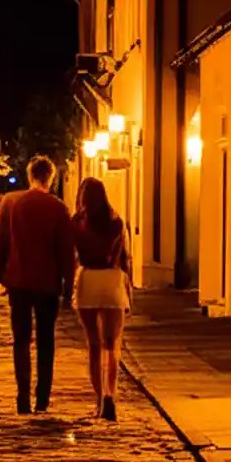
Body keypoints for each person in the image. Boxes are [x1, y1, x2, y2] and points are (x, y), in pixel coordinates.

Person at [0, 155, 76, 414]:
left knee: (21, 339)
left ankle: (22, 397)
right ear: (50, 178)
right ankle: (42, 398)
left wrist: (0, 274)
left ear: (30, 176)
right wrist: (69, 285)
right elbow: (65, 250)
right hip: (47, 283)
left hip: (18, 280)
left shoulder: (10, 202)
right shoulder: (58, 208)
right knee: (46, 340)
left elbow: (1, 241)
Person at [72, 177, 132, 421]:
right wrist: (129, 290)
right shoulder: (116, 222)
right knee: (112, 344)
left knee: (93, 344)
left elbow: (71, 253)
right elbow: (124, 258)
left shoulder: (77, 222)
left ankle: (98, 400)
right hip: (112, 280)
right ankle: (110, 395)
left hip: (88, 279)